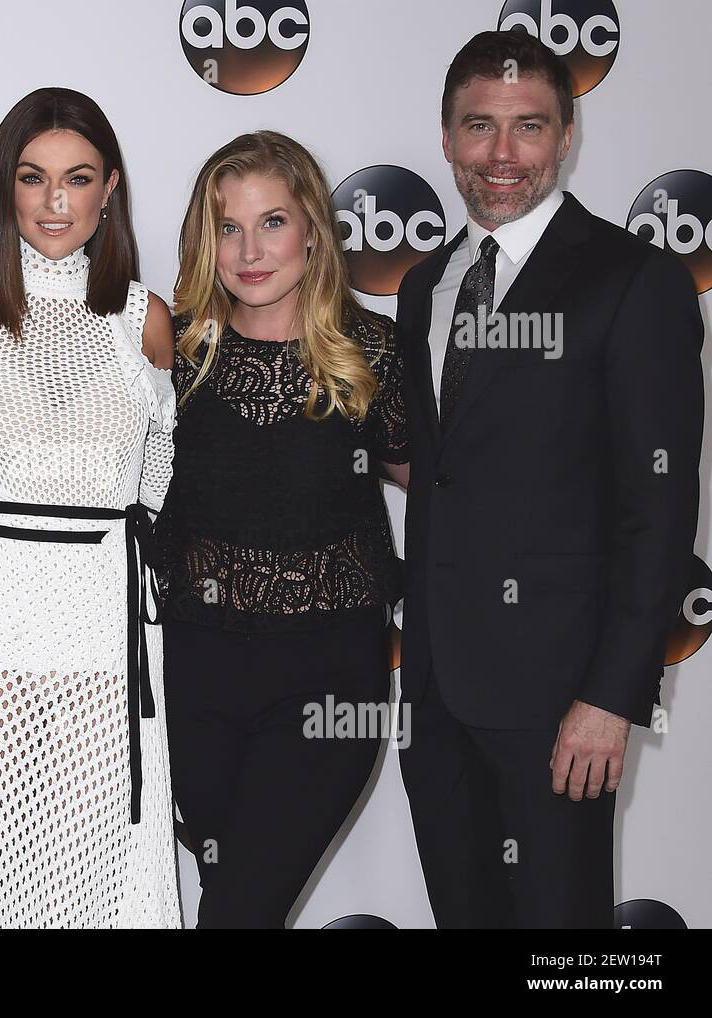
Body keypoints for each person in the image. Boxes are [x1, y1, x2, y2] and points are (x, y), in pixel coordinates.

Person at [395, 30, 703, 928]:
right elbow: (444, 467)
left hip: (562, 699)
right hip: (438, 694)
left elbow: (660, 505)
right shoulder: (424, 285)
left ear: (566, 137)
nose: (502, 155)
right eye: (479, 126)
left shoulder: (634, 279)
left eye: (528, 127)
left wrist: (611, 696)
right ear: (447, 137)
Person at [0, 86, 180, 927]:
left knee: (99, 859)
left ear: (111, 187)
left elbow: (160, 487)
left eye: (78, 178)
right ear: (5, 187)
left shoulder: (146, 320)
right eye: (33, 178)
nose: (56, 202)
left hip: (110, 616)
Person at [152, 130, 409, 928]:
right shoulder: (174, 349)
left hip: (330, 679)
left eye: (272, 222)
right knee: (233, 903)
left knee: (236, 912)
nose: (249, 249)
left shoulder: (369, 351)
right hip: (196, 673)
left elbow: (442, 487)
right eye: (228, 227)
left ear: (312, 231)